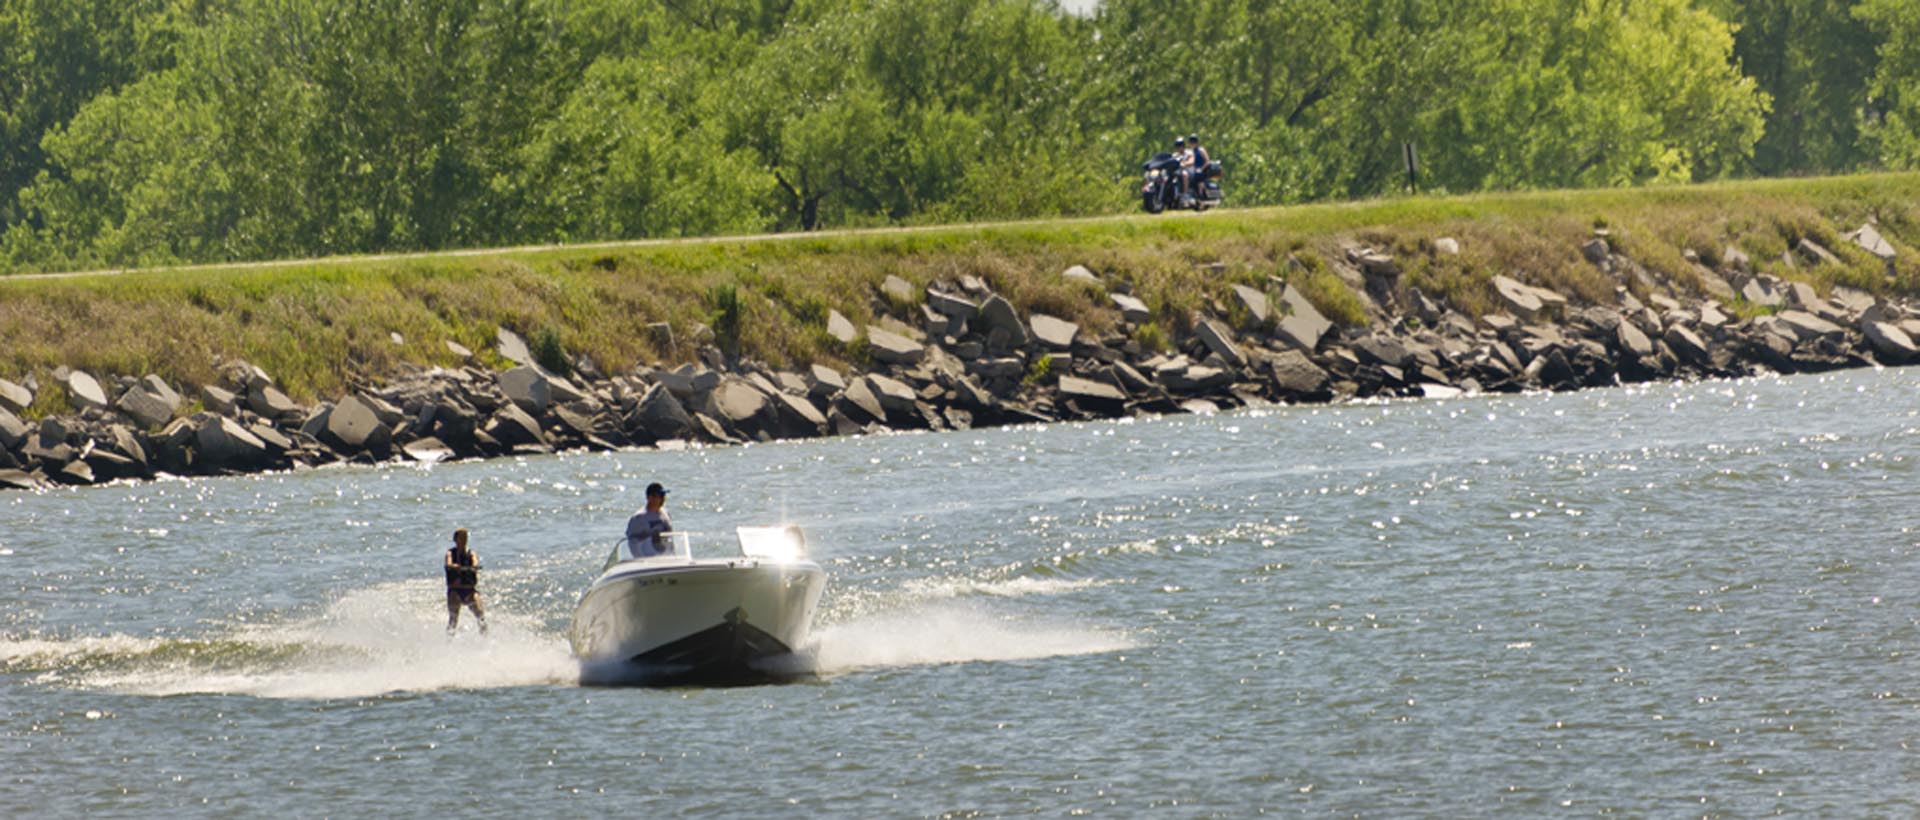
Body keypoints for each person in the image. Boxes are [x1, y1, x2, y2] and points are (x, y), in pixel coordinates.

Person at [444, 528, 487, 634]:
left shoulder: (471, 553)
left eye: (465, 538)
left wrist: (474, 566)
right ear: (455, 539)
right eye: (461, 538)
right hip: (455, 591)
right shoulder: (450, 553)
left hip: (469, 591)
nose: (464, 540)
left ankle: (486, 638)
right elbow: (448, 563)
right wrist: (454, 566)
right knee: (453, 620)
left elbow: (475, 562)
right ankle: (449, 640)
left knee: (481, 616)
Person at [626, 482, 674, 558]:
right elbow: (632, 542)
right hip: (648, 559)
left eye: (664, 496)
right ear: (650, 498)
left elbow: (670, 539)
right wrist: (640, 560)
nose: (663, 499)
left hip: (666, 558)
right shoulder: (639, 517)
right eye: (660, 496)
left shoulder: (665, 513)